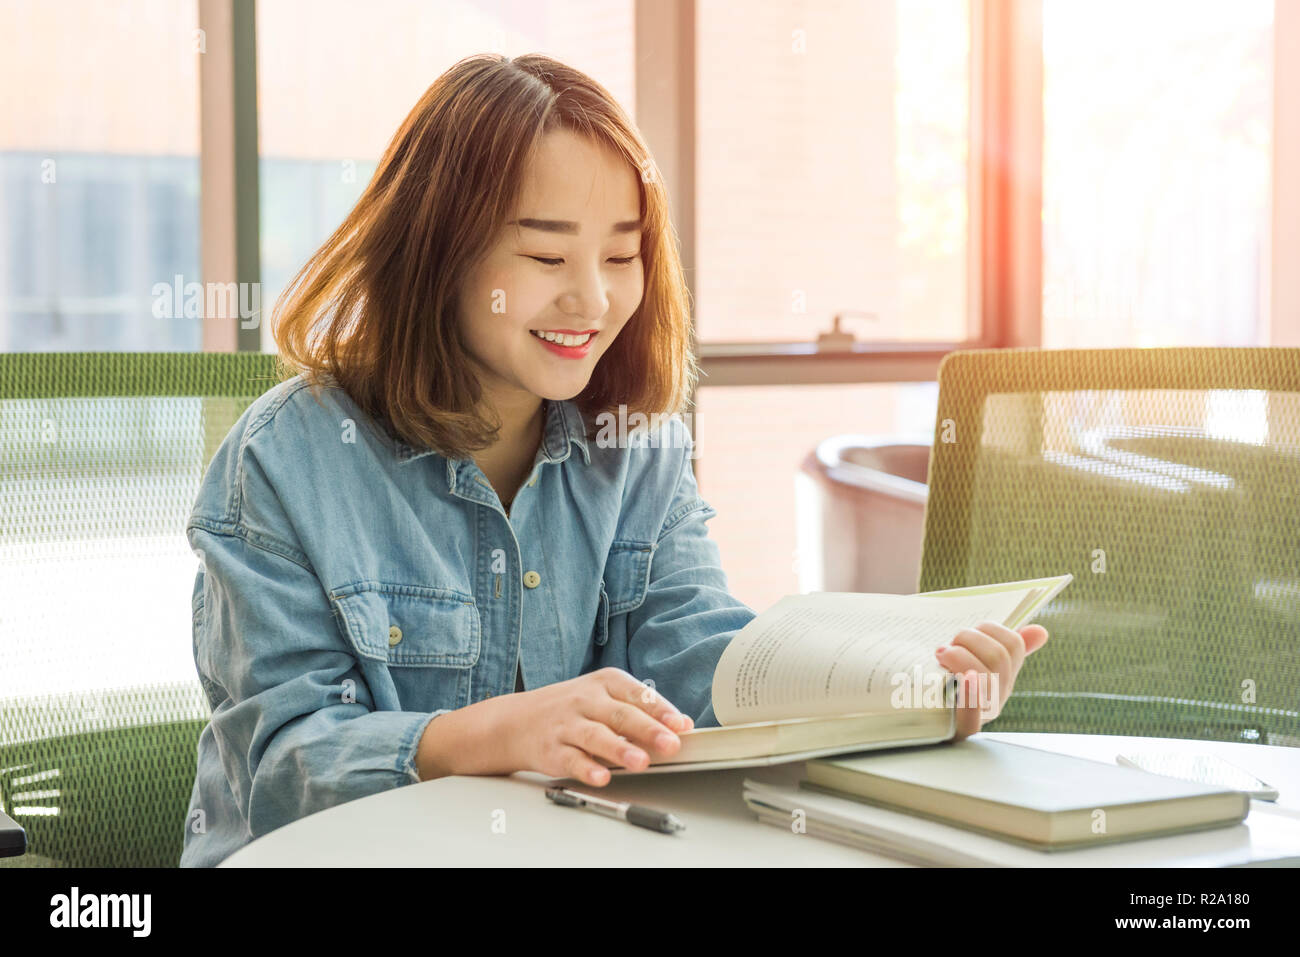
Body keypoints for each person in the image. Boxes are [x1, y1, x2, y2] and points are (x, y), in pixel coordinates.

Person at [179, 53, 1047, 867]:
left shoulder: (634, 443)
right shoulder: (285, 460)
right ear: (439, 253)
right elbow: (281, 768)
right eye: (548, 254)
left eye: (622, 255)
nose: (592, 297)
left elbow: (701, 659)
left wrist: (902, 695)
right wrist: (497, 731)